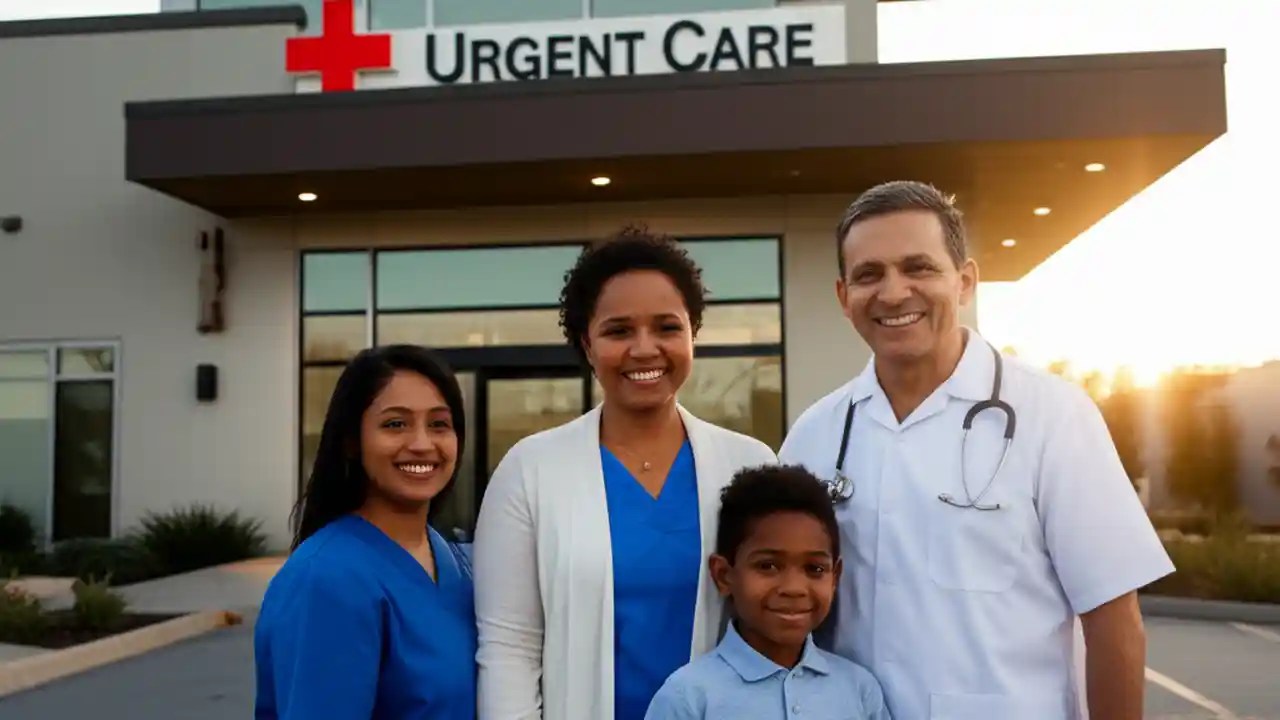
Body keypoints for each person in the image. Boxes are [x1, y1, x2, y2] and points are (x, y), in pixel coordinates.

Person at [778, 180, 1174, 720]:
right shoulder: (816, 434)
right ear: (844, 297)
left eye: (918, 268)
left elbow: (1112, 619)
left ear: (965, 282)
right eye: (869, 275)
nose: (893, 293)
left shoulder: (1053, 416)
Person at [472, 225, 779, 720]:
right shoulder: (530, 472)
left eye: (667, 327)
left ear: (692, 335)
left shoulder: (750, 466)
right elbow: (510, 649)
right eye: (619, 330)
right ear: (587, 343)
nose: (644, 349)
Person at [254, 344, 476, 720]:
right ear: (352, 442)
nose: (422, 444)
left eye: (439, 424)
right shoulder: (327, 580)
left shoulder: (457, 562)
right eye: (395, 424)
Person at [644, 464, 891, 720]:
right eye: (768, 566)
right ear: (723, 575)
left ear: (835, 576)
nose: (794, 588)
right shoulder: (688, 699)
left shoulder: (859, 691)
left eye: (814, 568)